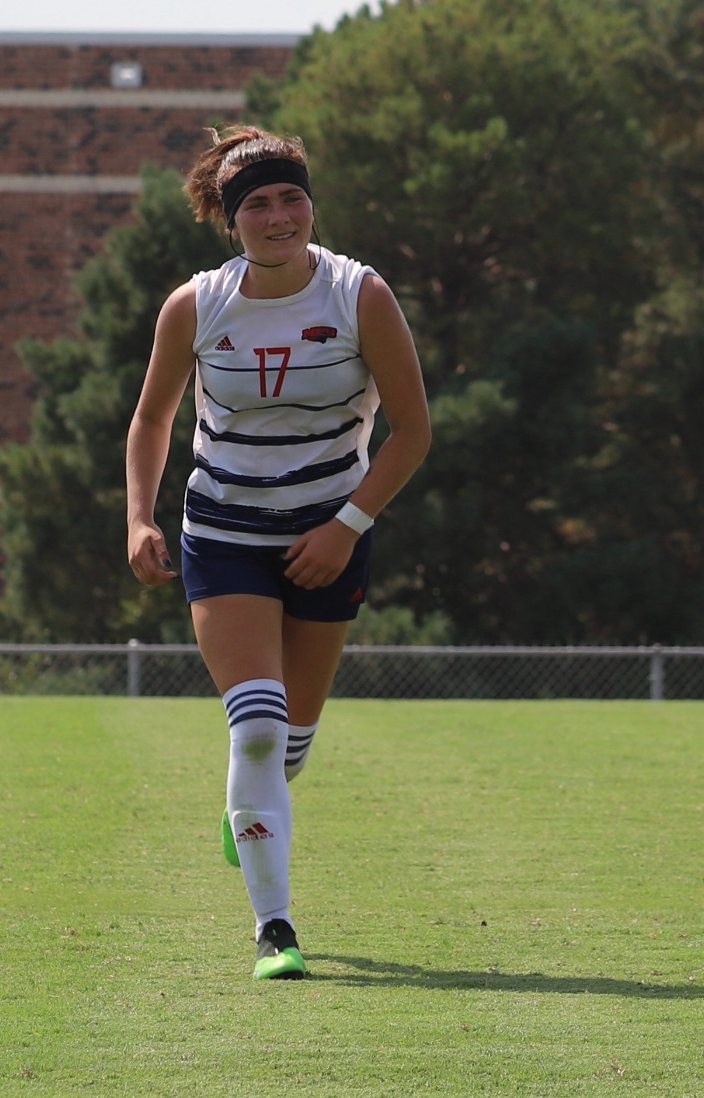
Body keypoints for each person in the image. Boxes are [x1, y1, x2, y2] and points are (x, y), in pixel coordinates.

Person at [126, 126, 432, 979]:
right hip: (224, 533)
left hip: (331, 537)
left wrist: (347, 528)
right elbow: (153, 418)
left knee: (292, 738)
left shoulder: (359, 295)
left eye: (290, 196)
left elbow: (413, 432)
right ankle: (275, 931)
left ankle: (248, 808)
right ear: (230, 222)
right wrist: (138, 518)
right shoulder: (196, 305)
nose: (277, 215)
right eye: (255, 203)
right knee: (256, 727)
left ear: (311, 204)